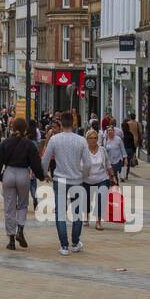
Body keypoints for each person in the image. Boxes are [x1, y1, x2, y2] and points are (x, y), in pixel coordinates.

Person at [0, 117, 45, 250]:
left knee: (9, 207)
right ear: (25, 129)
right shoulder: (29, 144)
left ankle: (11, 239)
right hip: (23, 174)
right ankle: (20, 229)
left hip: (9, 173)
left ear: (12, 128)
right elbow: (35, 162)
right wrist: (41, 176)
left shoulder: (6, 143)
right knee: (22, 204)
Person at [40, 109, 88, 255]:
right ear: (73, 123)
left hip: (60, 179)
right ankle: (75, 242)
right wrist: (84, 175)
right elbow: (88, 163)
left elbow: (45, 158)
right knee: (77, 213)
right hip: (76, 180)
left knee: (60, 213)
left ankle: (64, 246)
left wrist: (44, 173)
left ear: (61, 123)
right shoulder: (81, 140)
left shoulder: (55, 139)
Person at [82, 129, 115, 231]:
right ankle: (86, 217)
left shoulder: (102, 150)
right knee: (87, 200)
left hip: (102, 178)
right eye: (91, 138)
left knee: (101, 197)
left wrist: (112, 176)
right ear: (86, 139)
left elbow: (108, 164)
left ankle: (98, 221)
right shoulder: (83, 151)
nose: (93, 140)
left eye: (95, 138)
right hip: (87, 179)